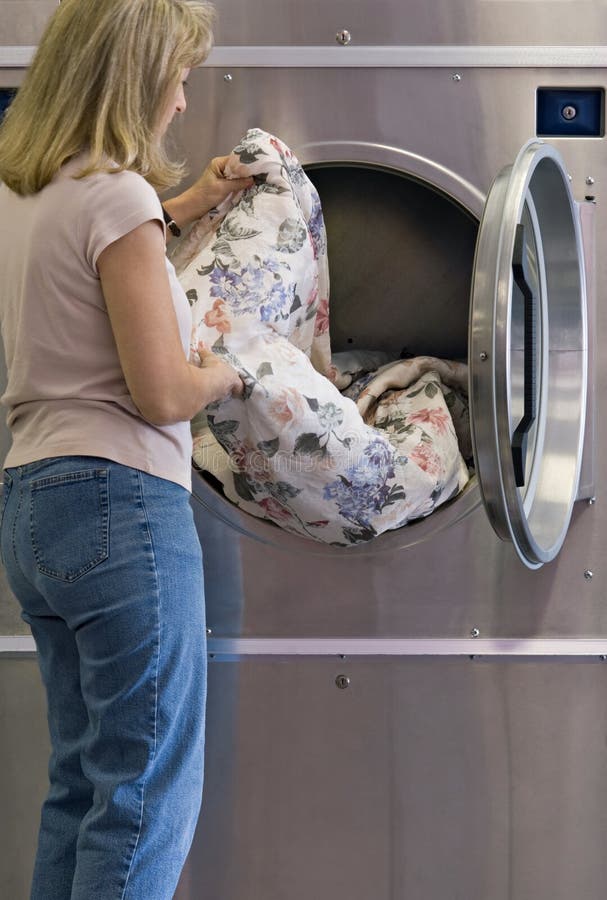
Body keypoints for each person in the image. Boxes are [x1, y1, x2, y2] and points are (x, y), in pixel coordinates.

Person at [0, 1, 252, 897]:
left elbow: (99, 255)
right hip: (120, 506)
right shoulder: (119, 194)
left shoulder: (26, 189)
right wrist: (232, 371)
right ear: (138, 76)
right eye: (179, 78)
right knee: (145, 795)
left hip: (34, 505)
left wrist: (194, 205)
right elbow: (161, 393)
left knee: (84, 787)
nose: (183, 102)